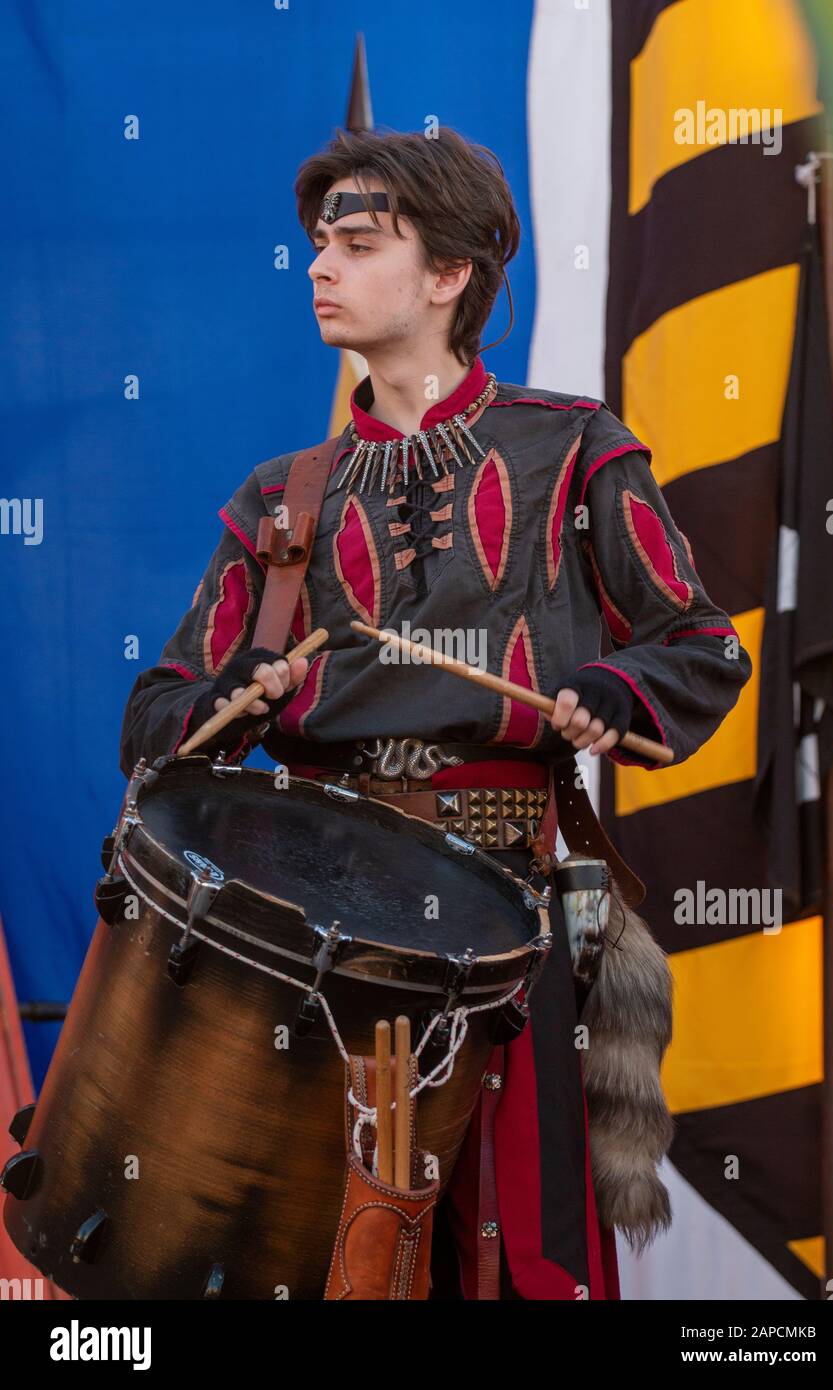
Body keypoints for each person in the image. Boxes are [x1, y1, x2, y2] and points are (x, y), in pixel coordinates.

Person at [119, 126, 752, 1300]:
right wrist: (224, 703)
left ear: (450, 274)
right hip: (320, 943)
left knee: (515, 1263)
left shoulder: (576, 451)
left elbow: (702, 643)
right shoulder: (278, 502)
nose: (318, 268)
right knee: (331, 1263)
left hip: (511, 928)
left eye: (356, 245)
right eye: (317, 246)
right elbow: (154, 716)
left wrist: (613, 689)